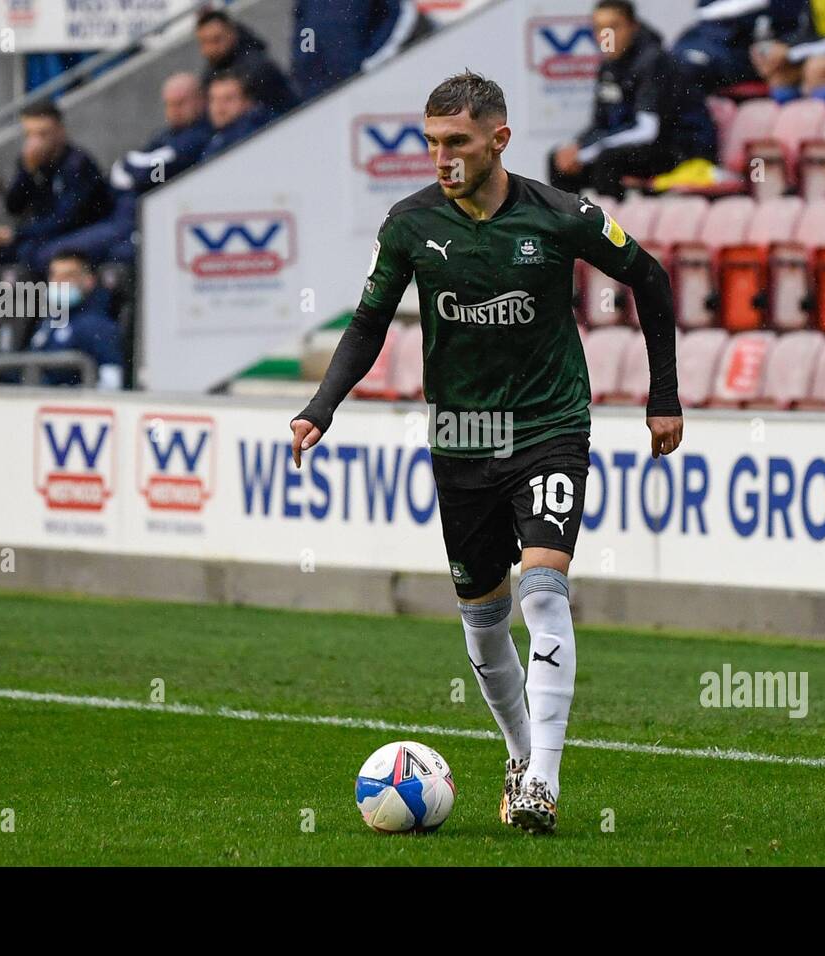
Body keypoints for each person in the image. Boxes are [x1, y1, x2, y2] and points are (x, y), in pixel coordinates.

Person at [289, 71, 683, 835]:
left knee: (543, 591)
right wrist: (321, 406)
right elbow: (370, 322)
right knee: (484, 617)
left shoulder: (561, 215)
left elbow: (649, 277)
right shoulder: (409, 225)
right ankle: (517, 752)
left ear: (498, 140)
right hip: (462, 439)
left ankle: (543, 778)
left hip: (549, 427)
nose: (442, 157)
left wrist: (662, 395)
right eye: (431, 142)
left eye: (457, 143)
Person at [28, 73, 213, 272]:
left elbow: (152, 171)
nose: (174, 110)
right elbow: (131, 166)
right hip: (118, 216)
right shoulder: (166, 134)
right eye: (169, 104)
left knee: (50, 255)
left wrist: (136, 170)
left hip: (140, 221)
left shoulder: (198, 136)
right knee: (38, 251)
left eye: (181, 103)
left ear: (200, 100)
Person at [548, 0, 717, 199]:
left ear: (633, 27)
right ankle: (569, 226)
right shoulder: (609, 66)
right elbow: (600, 123)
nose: (606, 36)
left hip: (681, 149)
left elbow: (647, 130)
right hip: (639, 147)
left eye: (613, 27)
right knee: (558, 161)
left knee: (608, 161)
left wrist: (586, 152)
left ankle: (612, 228)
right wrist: (576, 146)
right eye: (599, 28)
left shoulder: (654, 61)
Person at [0, 100, 113, 275]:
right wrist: (28, 172)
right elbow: (13, 207)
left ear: (60, 132)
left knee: (30, 256)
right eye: (29, 135)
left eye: (42, 134)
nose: (35, 142)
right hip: (40, 235)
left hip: (79, 234)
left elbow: (65, 219)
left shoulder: (77, 165)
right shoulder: (31, 162)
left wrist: (13, 234)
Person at [289, 0, 433, 99]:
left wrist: (371, 64)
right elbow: (305, 27)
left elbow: (402, 14)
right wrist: (303, 65)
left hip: (364, 87)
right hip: (317, 92)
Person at [27, 250, 124, 389]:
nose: (59, 282)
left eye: (68, 276)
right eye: (54, 275)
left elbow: (112, 383)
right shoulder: (49, 321)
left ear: (89, 281)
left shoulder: (99, 327)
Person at [672, 0, 806, 94]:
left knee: (686, 72)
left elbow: (803, 29)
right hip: (707, 41)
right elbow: (706, 14)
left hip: (746, 54)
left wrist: (789, 47)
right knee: (668, 69)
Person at [195, 8, 297, 115]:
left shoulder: (259, 69)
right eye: (204, 42)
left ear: (232, 34)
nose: (211, 48)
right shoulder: (209, 76)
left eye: (216, 40)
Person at [199, 71, 277, 163]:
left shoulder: (257, 130)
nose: (219, 107)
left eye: (228, 99)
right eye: (213, 100)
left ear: (248, 102)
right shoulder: (216, 136)